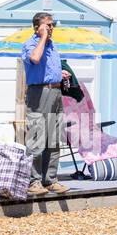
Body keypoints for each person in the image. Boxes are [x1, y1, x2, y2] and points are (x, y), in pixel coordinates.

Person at [21, 13, 73, 197]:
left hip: (55, 92)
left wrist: (61, 75)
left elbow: (47, 68)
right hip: (39, 93)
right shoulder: (31, 43)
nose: (51, 28)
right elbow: (35, 58)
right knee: (37, 136)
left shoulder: (53, 45)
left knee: (54, 136)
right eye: (48, 25)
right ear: (37, 27)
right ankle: (33, 181)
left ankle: (50, 179)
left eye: (52, 25)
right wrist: (42, 37)